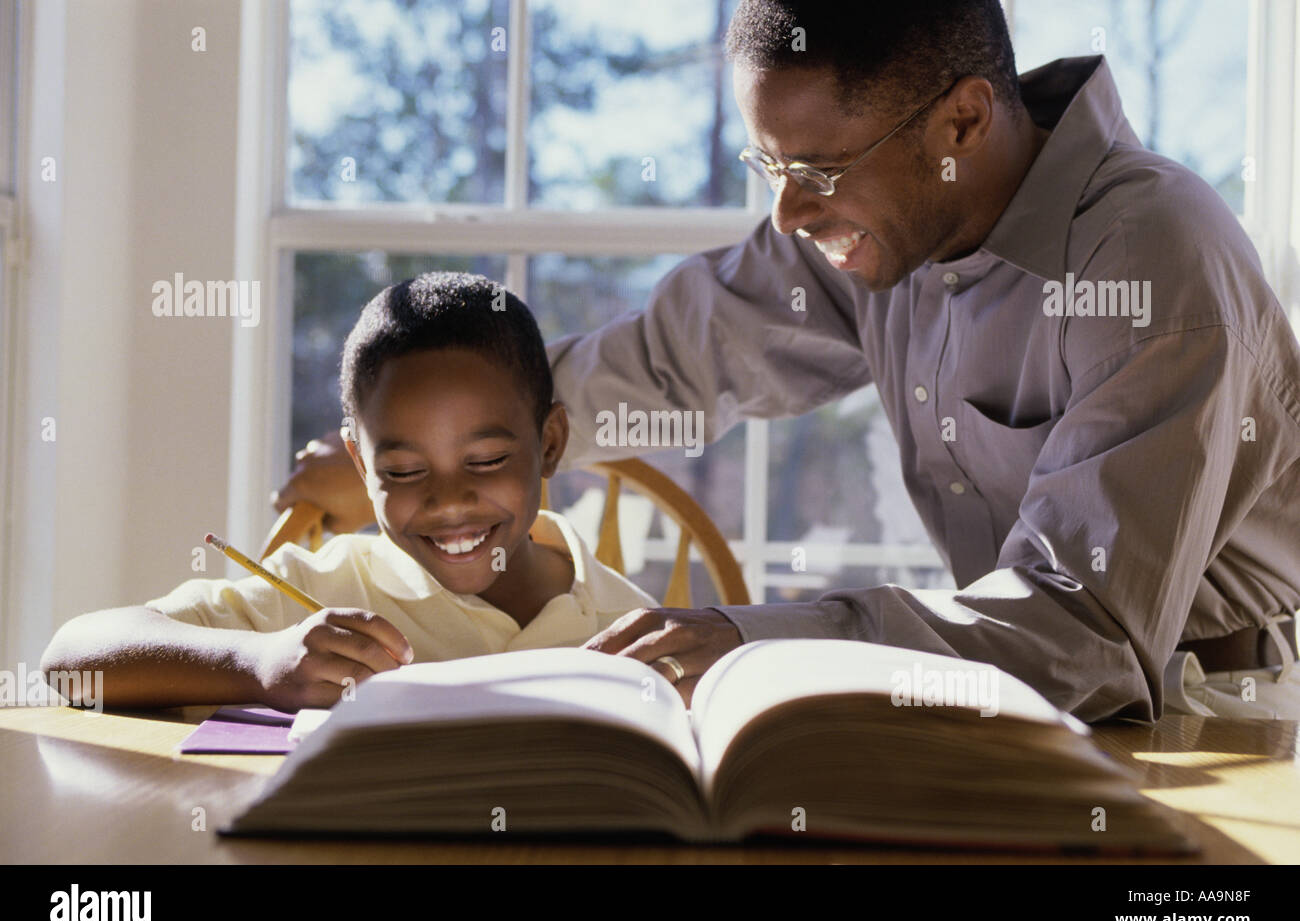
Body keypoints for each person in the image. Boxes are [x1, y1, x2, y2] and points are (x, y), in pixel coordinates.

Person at [275, 0, 1300, 722]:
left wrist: (756, 640)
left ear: (963, 119)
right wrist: (446, 459)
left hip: (1213, 717)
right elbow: (676, 360)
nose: (788, 211)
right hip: (1020, 697)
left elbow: (1086, 627)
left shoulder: (1154, 261)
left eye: (815, 169)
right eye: (769, 166)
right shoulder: (879, 222)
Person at [41, 272, 656, 710]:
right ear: (361, 466)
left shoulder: (625, 625)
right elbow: (72, 657)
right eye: (403, 472)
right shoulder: (322, 595)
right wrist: (259, 665)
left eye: (487, 459)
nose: (447, 502)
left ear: (550, 444)